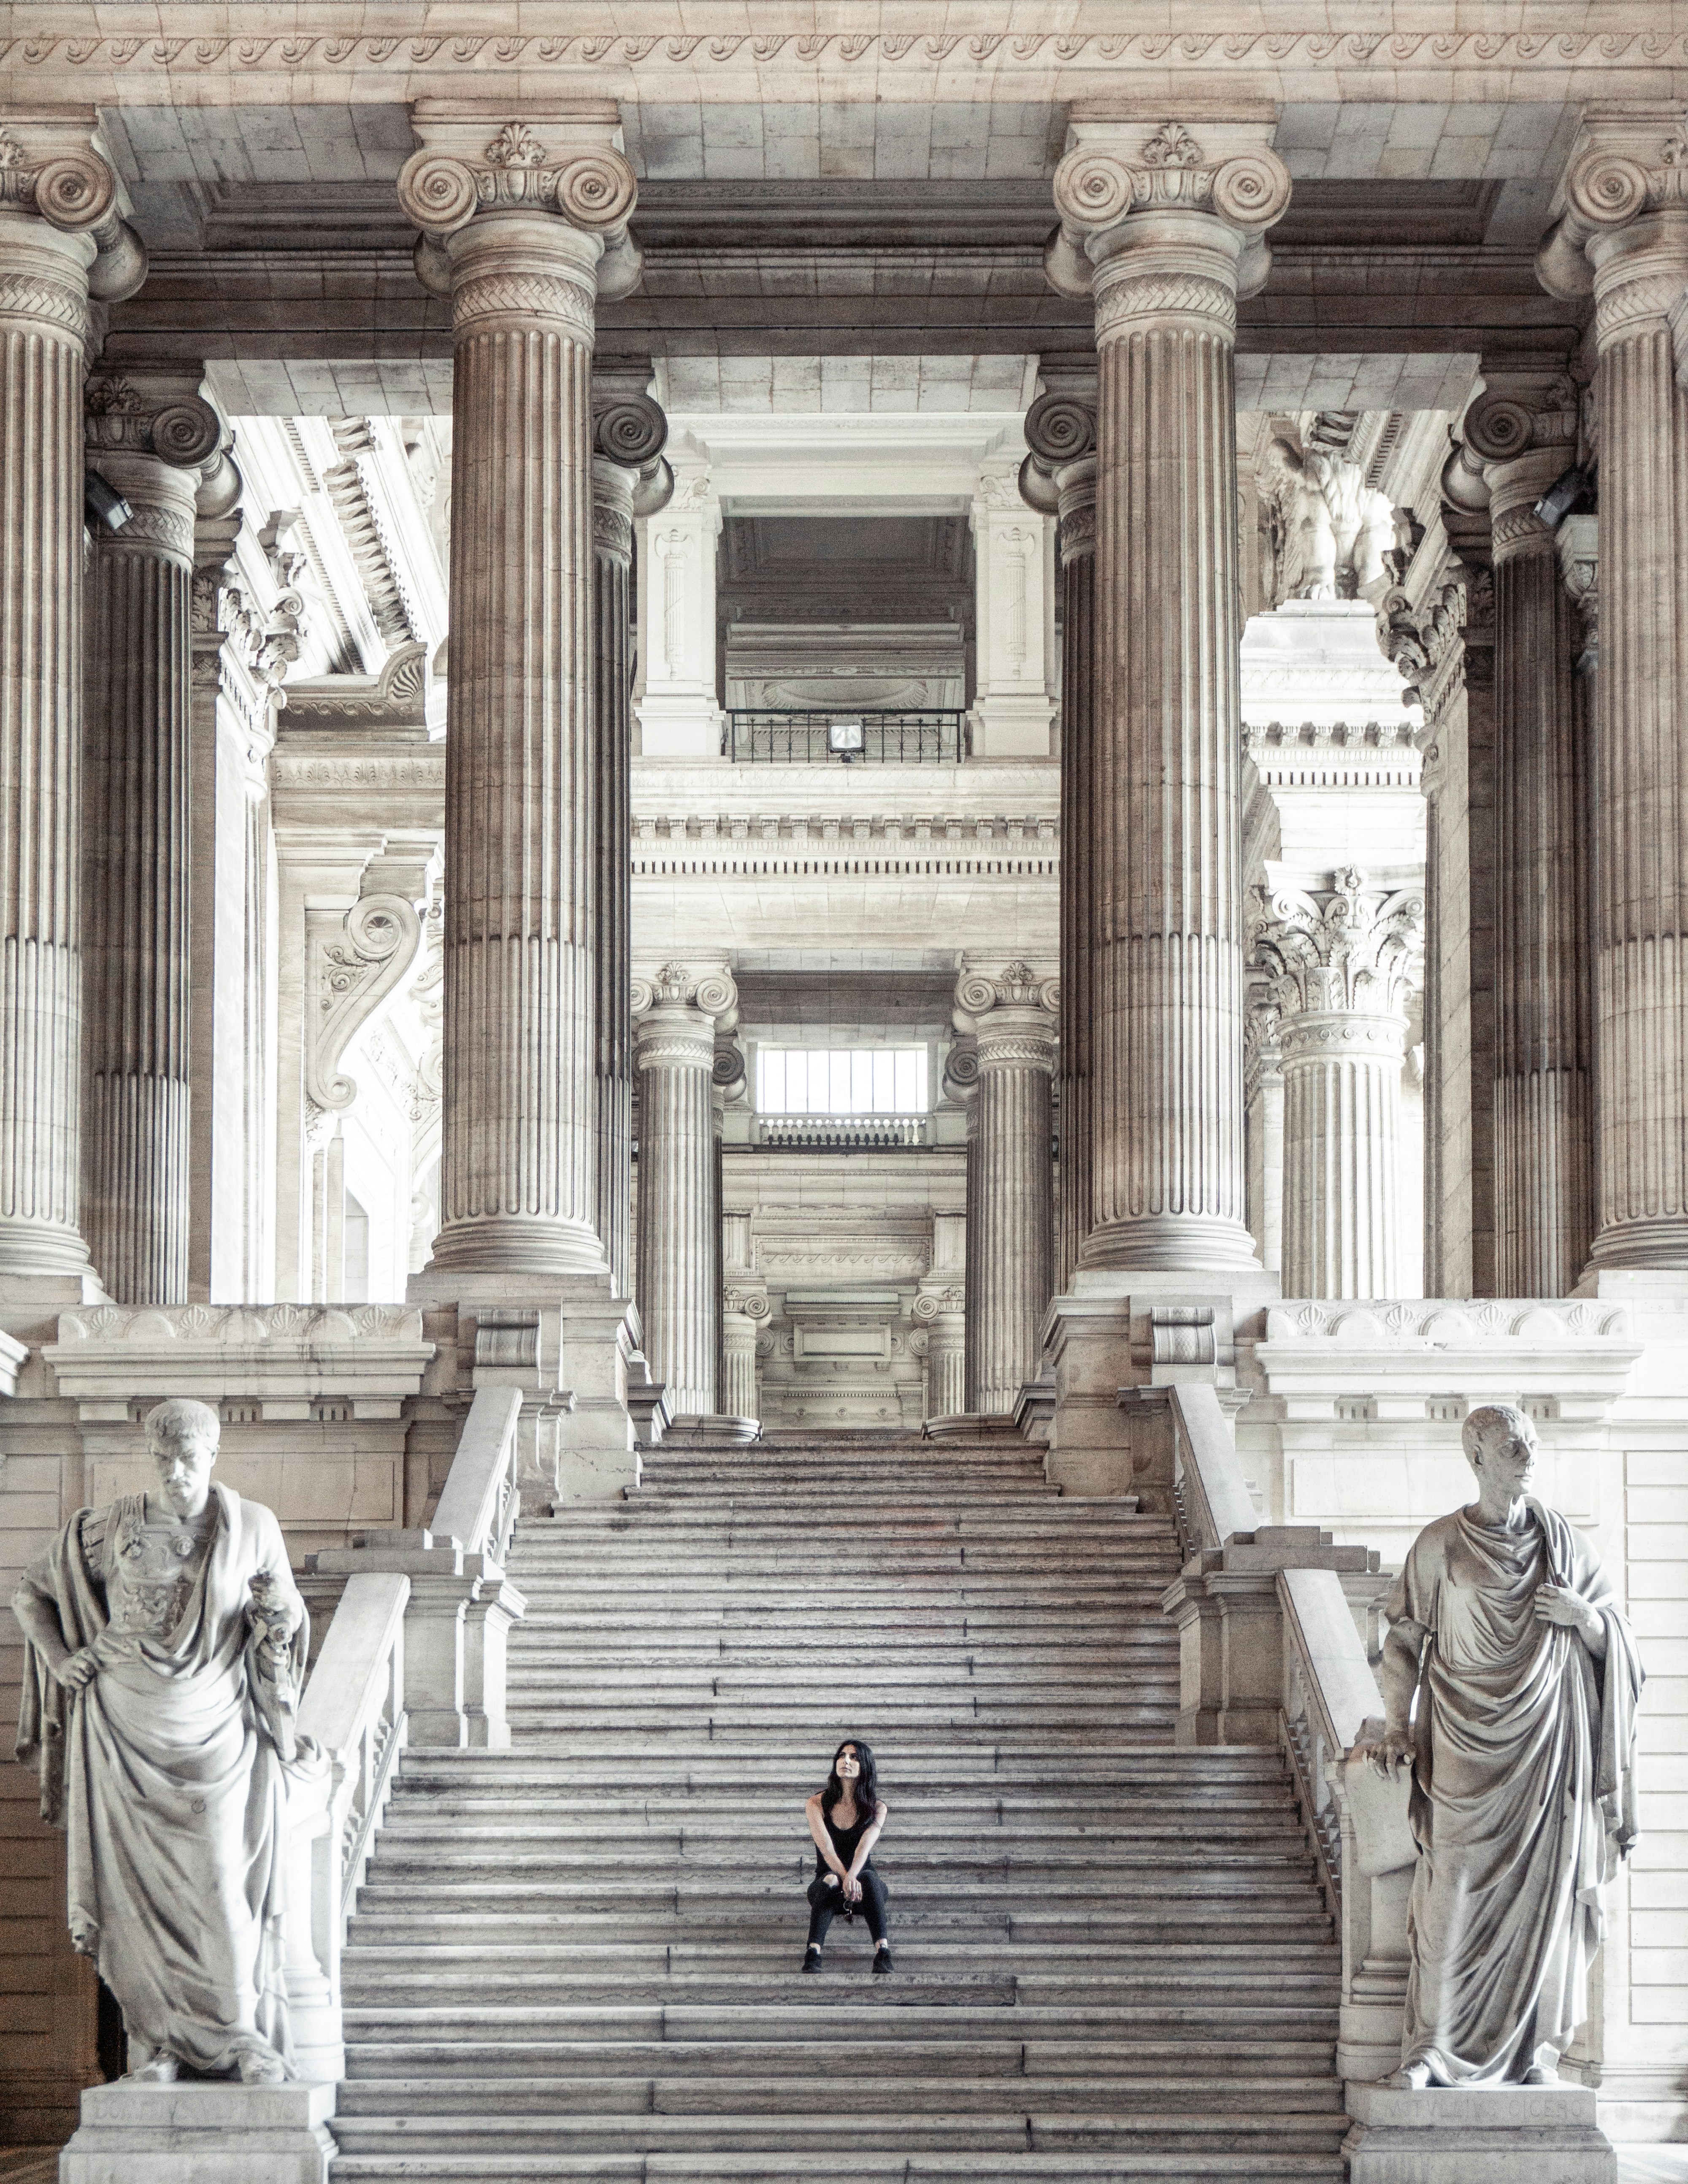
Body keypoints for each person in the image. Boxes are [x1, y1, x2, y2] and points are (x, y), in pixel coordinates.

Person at [12, 1396, 312, 2083]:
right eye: (163, 1458)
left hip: (215, 1738)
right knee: (135, 1907)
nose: (176, 1472)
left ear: (213, 1456)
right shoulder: (105, 1527)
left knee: (219, 1886)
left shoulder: (252, 1527)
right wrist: (62, 1659)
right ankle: (161, 2045)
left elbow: (288, 1610)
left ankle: (241, 2038)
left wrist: (275, 1621)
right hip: (120, 1734)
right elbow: (31, 1594)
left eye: (189, 1458)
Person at [1355, 1403, 1642, 2087]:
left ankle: (1531, 2054)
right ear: (1478, 1456)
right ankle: (1434, 2048)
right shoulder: (1439, 1545)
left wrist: (1588, 1622)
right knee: (1451, 1892)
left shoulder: (1564, 1542)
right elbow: (1402, 1647)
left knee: (1540, 1897)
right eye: (1514, 1444)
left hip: (1547, 1748)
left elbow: (1621, 1642)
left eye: (1533, 1443)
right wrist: (1397, 1725)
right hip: (1461, 1741)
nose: (1529, 1454)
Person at [802, 1738, 891, 1973]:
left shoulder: (877, 1807)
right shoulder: (816, 1803)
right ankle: (813, 1954)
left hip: (864, 1892)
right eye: (841, 1756)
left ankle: (883, 1952)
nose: (846, 1761)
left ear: (866, 1767)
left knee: (870, 1878)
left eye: (854, 1757)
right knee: (830, 1880)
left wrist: (853, 1876)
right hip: (827, 1888)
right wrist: (843, 1876)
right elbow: (826, 1848)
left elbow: (864, 1847)